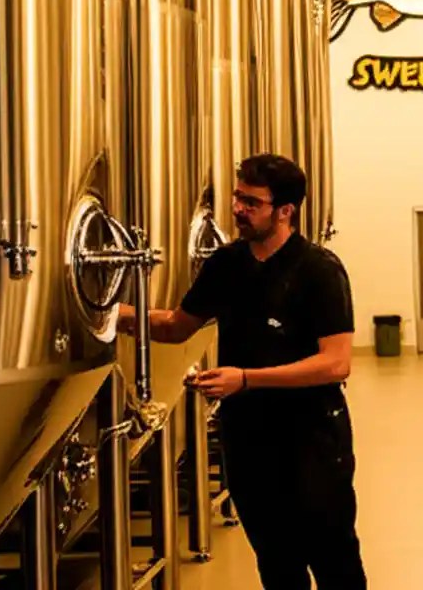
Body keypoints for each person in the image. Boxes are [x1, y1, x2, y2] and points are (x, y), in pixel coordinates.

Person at [115, 153, 366, 589]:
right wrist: (115, 315)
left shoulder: (319, 271)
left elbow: (335, 362)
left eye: (251, 202)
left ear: (285, 211)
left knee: (333, 558)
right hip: (249, 437)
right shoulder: (226, 265)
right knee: (275, 559)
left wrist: (246, 378)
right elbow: (177, 326)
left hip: (311, 438)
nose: (238, 210)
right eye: (237, 198)